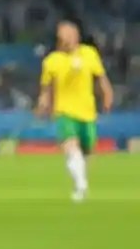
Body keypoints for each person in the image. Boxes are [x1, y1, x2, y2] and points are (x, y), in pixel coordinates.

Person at [36, 20, 113, 202]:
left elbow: (101, 77)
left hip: (87, 112)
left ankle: (81, 180)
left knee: (87, 151)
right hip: (64, 112)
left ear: (76, 36)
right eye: (63, 37)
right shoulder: (52, 61)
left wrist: (108, 93)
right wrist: (42, 103)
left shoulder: (89, 54)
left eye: (69, 36)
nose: (66, 40)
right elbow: (46, 89)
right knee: (71, 147)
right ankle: (81, 186)